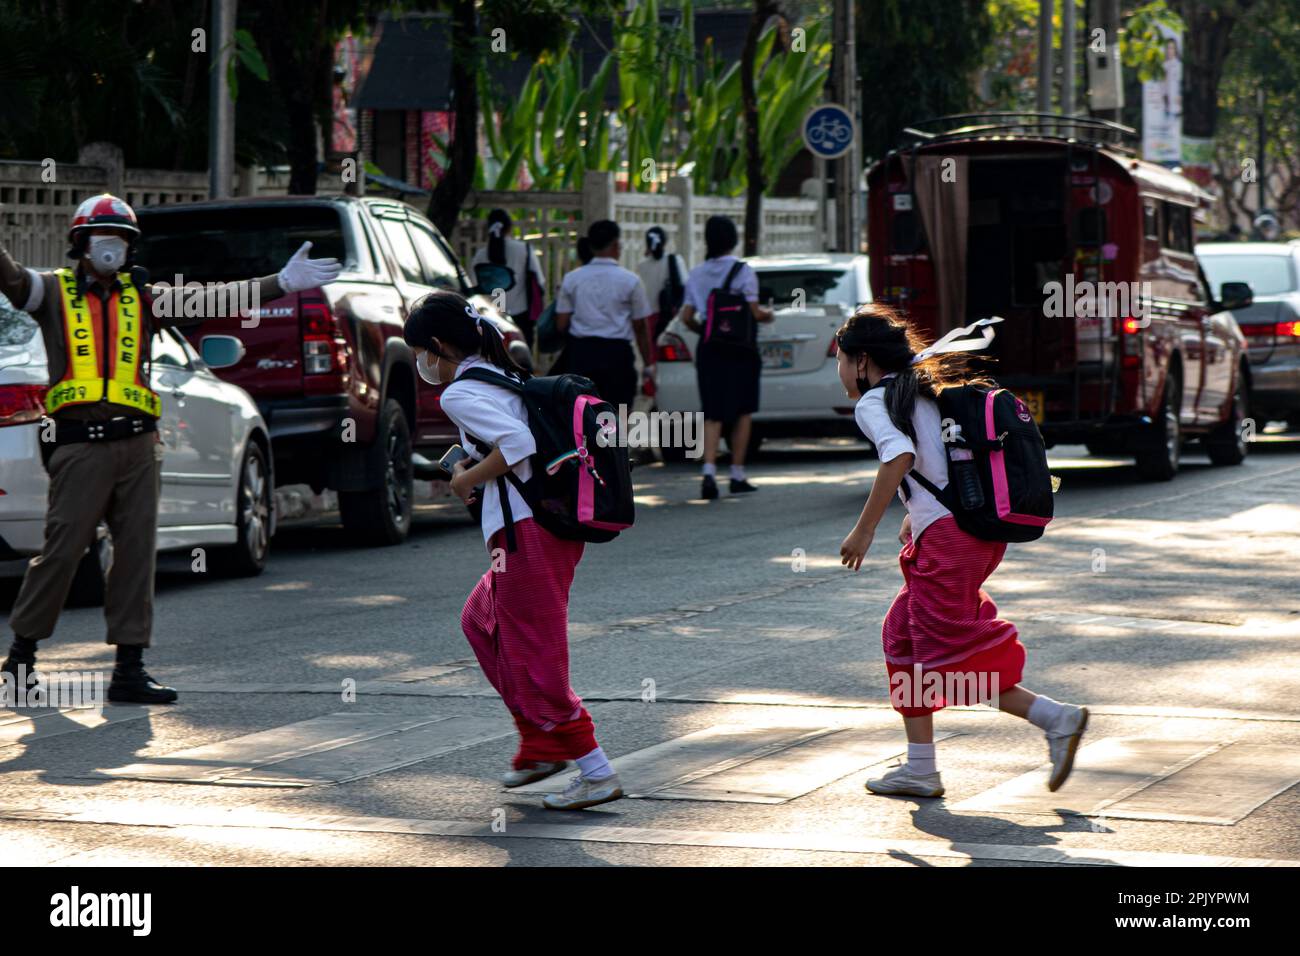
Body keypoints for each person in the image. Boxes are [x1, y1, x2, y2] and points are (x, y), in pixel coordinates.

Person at [0, 194, 341, 703]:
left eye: (120, 238)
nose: (110, 247)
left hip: (138, 445)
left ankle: (129, 670)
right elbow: (9, 277)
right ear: (80, 244)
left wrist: (281, 283)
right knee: (62, 552)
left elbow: (216, 299)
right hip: (79, 446)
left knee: (136, 556)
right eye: (100, 237)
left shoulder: (147, 295)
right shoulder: (51, 291)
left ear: (131, 246)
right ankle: (20, 660)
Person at [835, 304, 1089, 798]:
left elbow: (901, 458)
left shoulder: (874, 402)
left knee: (950, 656)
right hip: (968, 532)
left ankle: (1055, 718)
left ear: (862, 360)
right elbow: (937, 461)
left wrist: (863, 530)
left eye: (841, 359)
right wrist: (917, 511)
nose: (840, 370)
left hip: (952, 540)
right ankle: (921, 768)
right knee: (904, 641)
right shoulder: (915, 389)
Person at [402, 290, 623, 811]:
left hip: (527, 535)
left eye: (419, 353)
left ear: (436, 346)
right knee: (480, 620)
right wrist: (475, 468)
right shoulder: (504, 373)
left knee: (536, 652)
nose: (420, 364)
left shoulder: (459, 392)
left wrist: (465, 480)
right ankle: (541, 742)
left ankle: (596, 770)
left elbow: (518, 444)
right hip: (537, 530)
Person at [676, 216, 773, 499]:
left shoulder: (696, 273)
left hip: (710, 350)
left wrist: (707, 331)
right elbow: (756, 313)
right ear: (733, 240)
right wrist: (770, 315)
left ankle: (708, 472)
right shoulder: (743, 271)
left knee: (713, 411)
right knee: (743, 410)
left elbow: (686, 317)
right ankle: (737, 473)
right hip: (741, 348)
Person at [554, 220, 656, 410]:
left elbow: (561, 324)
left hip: (581, 356)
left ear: (591, 246)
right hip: (617, 358)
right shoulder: (631, 281)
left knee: (581, 418)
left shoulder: (572, 279)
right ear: (617, 245)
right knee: (616, 416)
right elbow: (641, 327)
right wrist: (648, 364)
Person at [471, 209, 546, 349]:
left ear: (488, 228)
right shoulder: (525, 250)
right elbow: (539, 281)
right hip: (521, 319)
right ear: (510, 227)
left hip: (490, 318)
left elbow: (474, 286)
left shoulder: (480, 255)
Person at [635, 225, 686, 344]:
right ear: (665, 242)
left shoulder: (641, 265)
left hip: (649, 317)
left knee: (653, 353)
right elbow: (684, 287)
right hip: (670, 316)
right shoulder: (676, 260)